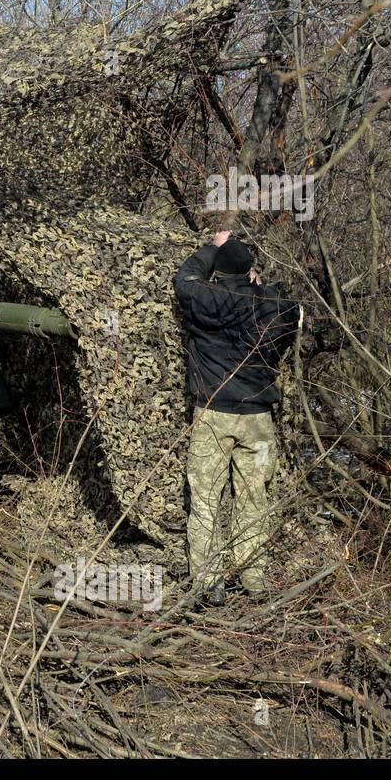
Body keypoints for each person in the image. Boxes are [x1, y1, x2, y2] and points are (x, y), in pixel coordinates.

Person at [174, 230, 301, 604]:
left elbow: (184, 280)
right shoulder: (278, 305)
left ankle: (209, 583)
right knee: (254, 496)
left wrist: (211, 248)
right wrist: (257, 287)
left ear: (218, 273)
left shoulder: (206, 298)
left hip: (213, 417)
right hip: (259, 424)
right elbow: (293, 310)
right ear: (250, 272)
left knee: (206, 501)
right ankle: (254, 578)